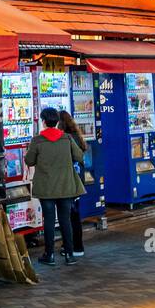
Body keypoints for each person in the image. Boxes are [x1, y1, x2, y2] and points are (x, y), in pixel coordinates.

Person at [24, 106, 85, 266]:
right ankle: (70, 255)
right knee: (65, 220)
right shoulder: (67, 138)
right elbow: (79, 155)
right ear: (57, 121)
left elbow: (29, 161)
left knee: (49, 221)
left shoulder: (37, 140)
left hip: (46, 188)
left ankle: (49, 255)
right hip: (65, 186)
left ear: (43, 122)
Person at [58, 108, 87, 259]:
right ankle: (76, 246)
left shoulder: (66, 139)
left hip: (69, 181)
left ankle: (73, 246)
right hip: (78, 181)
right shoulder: (77, 136)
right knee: (74, 215)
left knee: (69, 216)